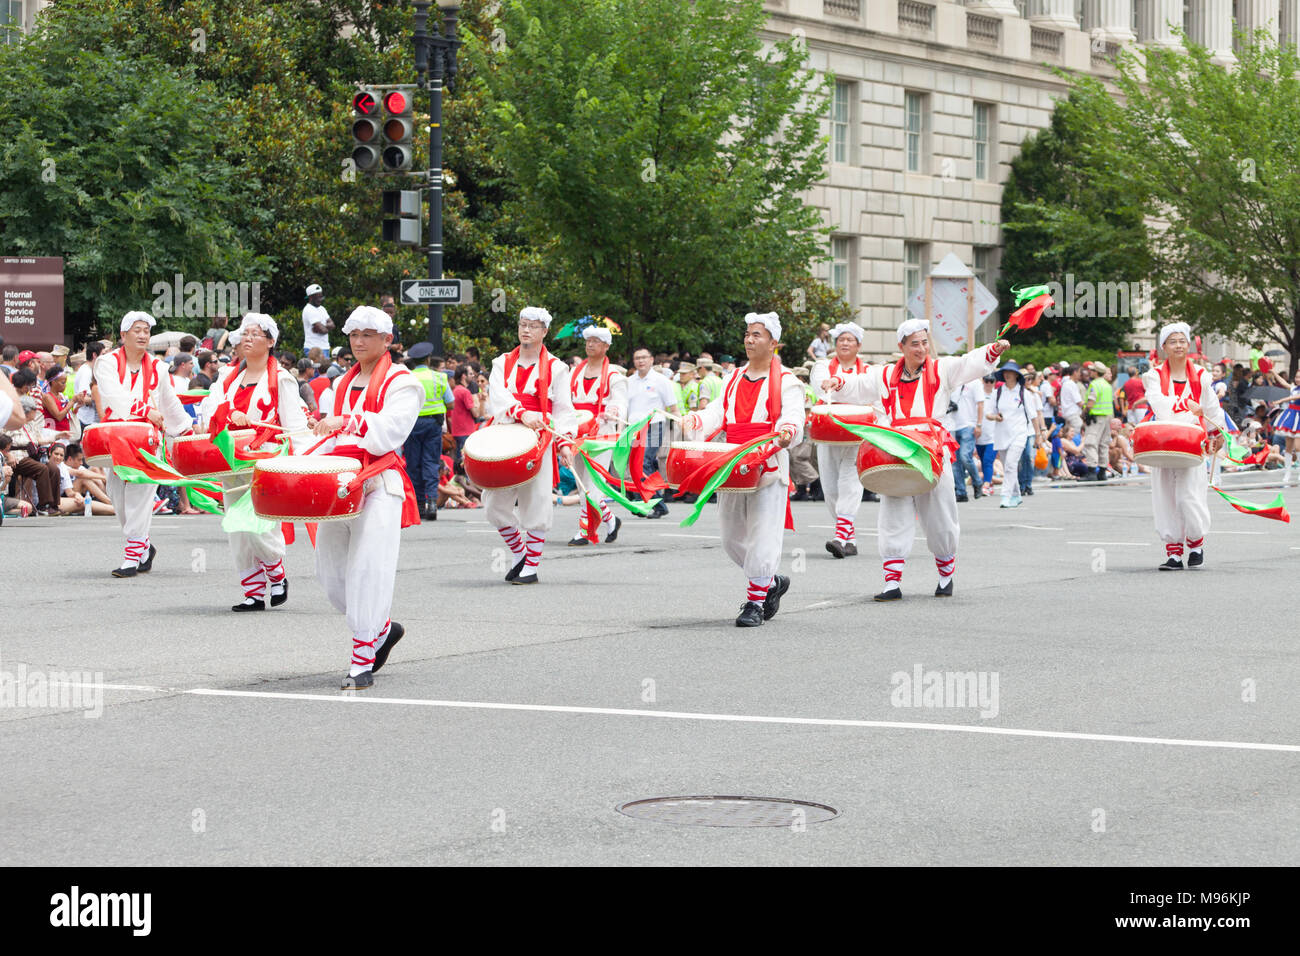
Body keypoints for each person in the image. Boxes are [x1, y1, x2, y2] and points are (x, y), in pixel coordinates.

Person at [826, 319, 1008, 599]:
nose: (921, 349)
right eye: (915, 344)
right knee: (893, 510)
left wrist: (992, 350)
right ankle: (891, 582)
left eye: (925, 342)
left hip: (931, 448)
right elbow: (858, 385)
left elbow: (967, 363)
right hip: (896, 448)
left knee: (940, 512)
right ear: (902, 347)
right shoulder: (885, 375)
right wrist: (837, 382)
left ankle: (946, 575)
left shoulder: (941, 369)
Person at [309, 305, 424, 689]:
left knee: (368, 570)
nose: (358, 341)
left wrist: (347, 422)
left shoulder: (404, 382)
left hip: (378, 482)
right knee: (332, 576)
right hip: (338, 482)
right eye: (353, 334)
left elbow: (390, 432)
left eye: (367, 335)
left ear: (387, 340)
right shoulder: (342, 383)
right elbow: (331, 436)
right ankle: (380, 629)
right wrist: (317, 430)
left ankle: (361, 661)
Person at [682, 312, 803, 627]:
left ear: (773, 343)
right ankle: (771, 582)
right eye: (748, 334)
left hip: (768, 462)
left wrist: (788, 430)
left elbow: (793, 416)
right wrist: (695, 420)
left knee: (764, 533)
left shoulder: (788, 381)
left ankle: (755, 602)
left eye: (757, 335)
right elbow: (717, 412)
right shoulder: (733, 377)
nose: (749, 339)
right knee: (731, 537)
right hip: (733, 462)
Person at [198, 314, 309, 610]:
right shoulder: (228, 376)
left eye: (256, 333)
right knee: (236, 526)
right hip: (231, 459)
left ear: (271, 342)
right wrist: (227, 410)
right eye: (245, 333)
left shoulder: (282, 380)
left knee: (259, 524)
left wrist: (303, 467)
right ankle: (253, 592)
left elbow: (295, 425)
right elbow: (210, 406)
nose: (247, 338)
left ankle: (276, 571)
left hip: (266, 460)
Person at [484, 307, 579, 584]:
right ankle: (519, 554)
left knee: (536, 500)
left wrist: (564, 443)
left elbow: (563, 409)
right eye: (523, 324)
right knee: (493, 504)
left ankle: (531, 567)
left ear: (544, 332)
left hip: (540, 438)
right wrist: (520, 412)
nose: (526, 330)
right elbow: (497, 397)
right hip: (505, 435)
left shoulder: (557, 368)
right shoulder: (501, 362)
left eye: (533, 326)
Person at [93, 311, 192, 576]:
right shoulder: (107, 363)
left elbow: (169, 402)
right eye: (136, 330)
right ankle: (144, 546)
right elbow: (113, 396)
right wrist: (145, 410)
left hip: (148, 441)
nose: (142, 334)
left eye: (146, 330)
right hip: (116, 439)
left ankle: (132, 555)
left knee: (139, 494)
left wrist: (185, 429)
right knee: (117, 495)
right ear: (123, 335)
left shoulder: (158, 367)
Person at [1141, 323, 1226, 570]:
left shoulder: (1201, 375)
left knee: (1190, 494)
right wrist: (1189, 410)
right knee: (1165, 495)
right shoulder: (1154, 375)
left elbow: (1211, 408)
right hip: (1165, 441)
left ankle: (1196, 542)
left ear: (1188, 345)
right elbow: (1160, 406)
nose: (1178, 345)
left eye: (1182, 341)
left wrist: (1217, 432)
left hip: (1192, 442)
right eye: (1173, 341)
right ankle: (1174, 554)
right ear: (1164, 346)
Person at [809, 321, 875, 557]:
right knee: (830, 488)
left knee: (850, 483)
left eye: (850, 340)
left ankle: (839, 536)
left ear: (858, 345)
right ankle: (850, 538)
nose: (845, 343)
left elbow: (870, 393)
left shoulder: (867, 371)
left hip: (857, 433)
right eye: (841, 340)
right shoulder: (822, 366)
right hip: (828, 431)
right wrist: (833, 385)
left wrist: (839, 386)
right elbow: (819, 388)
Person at [568, 325, 627, 546]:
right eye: (588, 340)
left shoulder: (614, 375)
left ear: (606, 346)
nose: (590, 344)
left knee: (592, 487)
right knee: (582, 484)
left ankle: (585, 530)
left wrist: (613, 412)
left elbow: (620, 402)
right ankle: (611, 520)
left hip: (601, 434)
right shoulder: (574, 372)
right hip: (576, 433)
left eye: (596, 341)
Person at [625, 345, 679, 517]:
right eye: (637, 358)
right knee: (636, 465)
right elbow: (625, 408)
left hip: (654, 425)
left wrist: (681, 428)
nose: (640, 361)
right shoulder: (629, 381)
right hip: (633, 428)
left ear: (651, 359)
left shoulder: (660, 380)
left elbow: (673, 407)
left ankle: (658, 504)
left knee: (644, 462)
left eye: (643, 357)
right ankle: (646, 502)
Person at [404, 341, 455, 520]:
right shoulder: (439, 378)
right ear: (428, 359)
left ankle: (418, 506)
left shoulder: (406, 377)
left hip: (411, 425)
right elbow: (451, 403)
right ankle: (432, 503)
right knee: (431, 463)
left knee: (413, 463)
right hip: (433, 425)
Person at [987, 361, 1044, 509]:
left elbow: (1033, 416)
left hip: (1019, 434)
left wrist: (1038, 435)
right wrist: (995, 417)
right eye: (1005, 372)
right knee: (1008, 467)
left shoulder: (1024, 393)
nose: (1007, 374)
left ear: (1016, 375)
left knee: (1011, 465)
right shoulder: (997, 392)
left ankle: (1005, 496)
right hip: (1001, 434)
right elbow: (988, 414)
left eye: (1010, 372)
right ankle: (1016, 495)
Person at [1080, 362, 1113, 482]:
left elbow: (1090, 402)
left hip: (1096, 417)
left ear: (1095, 372)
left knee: (1091, 443)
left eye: (1092, 371)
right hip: (1106, 418)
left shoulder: (1095, 384)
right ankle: (1102, 472)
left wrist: (1084, 413)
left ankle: (1092, 471)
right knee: (1103, 444)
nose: (1090, 372)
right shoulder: (1107, 385)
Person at [1272, 369, 1300, 485]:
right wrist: (1273, 372)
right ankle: (1287, 472)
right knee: (1288, 447)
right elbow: (1283, 383)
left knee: (1298, 447)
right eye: (1297, 377)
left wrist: (1281, 400)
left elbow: (1294, 398)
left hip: (1299, 417)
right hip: (1290, 416)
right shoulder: (1294, 387)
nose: (1297, 379)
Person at [975, 374, 997, 495]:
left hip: (994, 435)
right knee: (983, 461)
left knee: (988, 460)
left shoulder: (997, 394)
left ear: (995, 382)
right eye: (986, 380)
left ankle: (986, 484)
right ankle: (989, 482)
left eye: (991, 381)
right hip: (980, 434)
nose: (988, 383)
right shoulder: (979, 394)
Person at [301, 283, 332, 355]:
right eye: (318, 297)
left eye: (321, 297)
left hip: (325, 347)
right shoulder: (308, 309)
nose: (321, 299)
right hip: (313, 348)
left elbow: (332, 325)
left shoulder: (322, 308)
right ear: (311, 297)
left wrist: (320, 327)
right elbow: (323, 330)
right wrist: (324, 327)